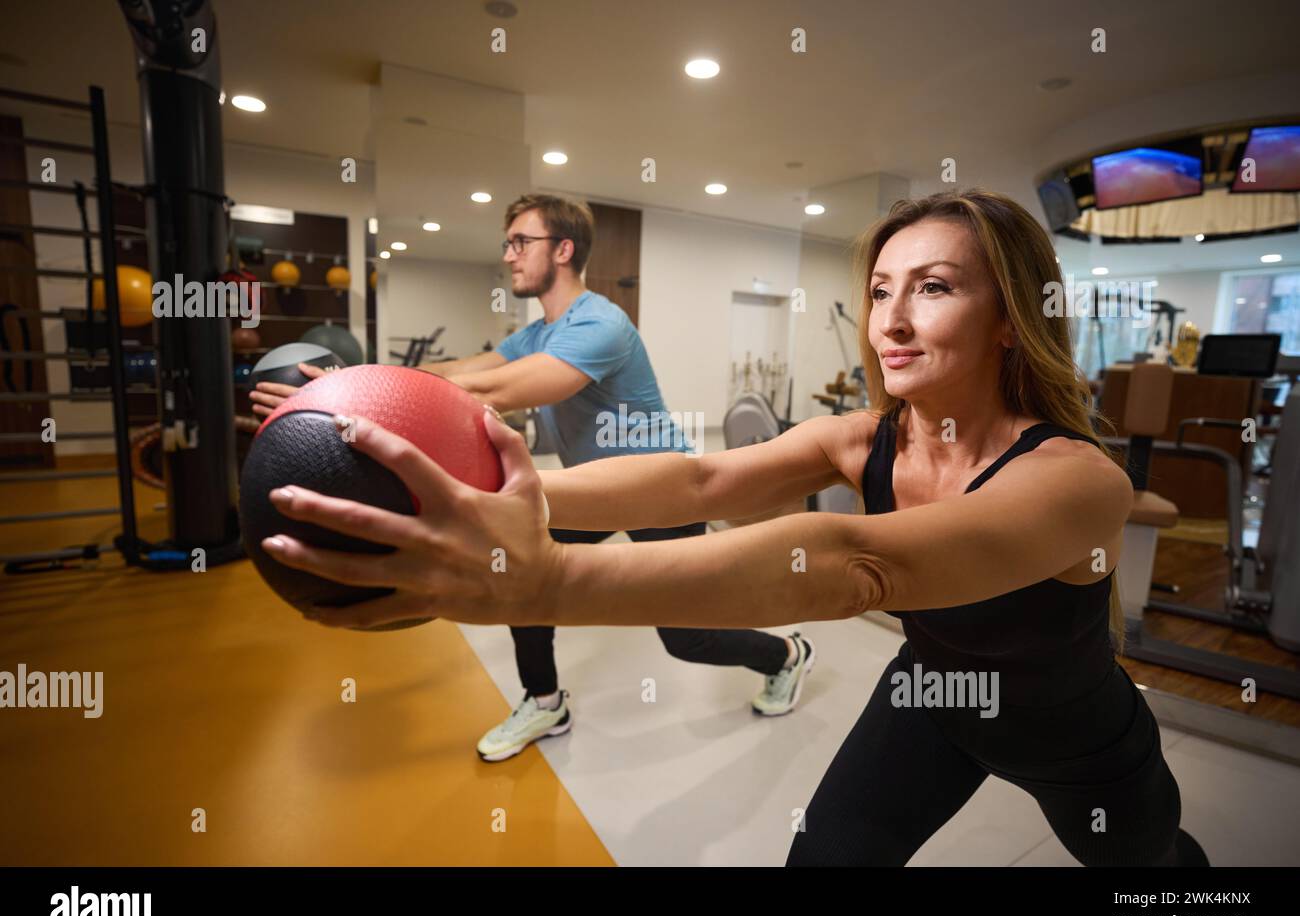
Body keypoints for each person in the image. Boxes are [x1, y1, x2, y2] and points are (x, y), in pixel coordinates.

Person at [256, 188, 1209, 866]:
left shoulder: (1080, 482)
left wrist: (545, 583)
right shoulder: (860, 437)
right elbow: (701, 475)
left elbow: (858, 566)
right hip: (930, 699)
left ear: (1010, 318)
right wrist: (498, 496)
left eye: (935, 287)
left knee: (1161, 878)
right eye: (881, 289)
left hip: (1071, 735)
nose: (893, 318)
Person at [251, 194, 808, 763]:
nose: (510, 256)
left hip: (660, 493)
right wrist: (356, 381)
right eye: (508, 243)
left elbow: (497, 391)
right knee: (519, 578)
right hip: (591, 489)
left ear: (563, 249)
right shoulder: (537, 331)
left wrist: (350, 396)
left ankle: (786, 655)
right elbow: (463, 370)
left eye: (522, 242)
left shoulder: (602, 323)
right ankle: (545, 702)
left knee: (689, 637)